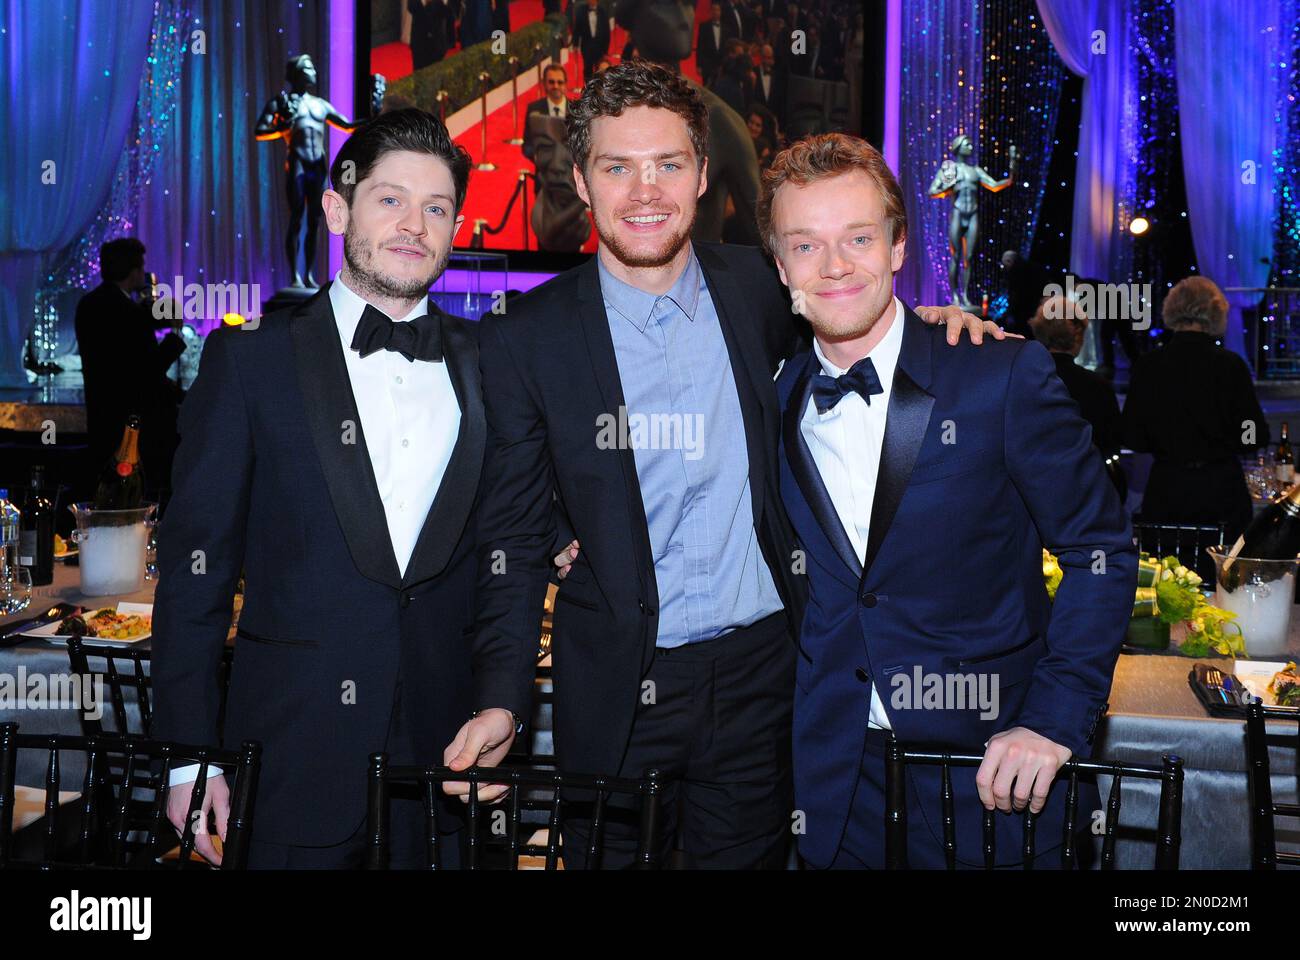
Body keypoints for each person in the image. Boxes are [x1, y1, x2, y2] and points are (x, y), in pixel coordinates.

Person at [484, 61, 995, 869]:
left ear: (702, 175)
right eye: (618, 167)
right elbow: (509, 533)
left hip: (765, 674)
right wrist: (499, 698)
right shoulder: (523, 336)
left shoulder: (764, 285)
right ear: (581, 182)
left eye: (668, 165)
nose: (645, 191)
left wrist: (931, 320)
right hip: (618, 683)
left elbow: (855, 304)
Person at [152, 109, 523, 869]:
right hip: (288, 760)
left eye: (437, 208)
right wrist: (189, 759)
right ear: (335, 209)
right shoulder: (250, 364)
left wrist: (503, 698)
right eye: (389, 199)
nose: (414, 225)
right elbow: (197, 578)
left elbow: (505, 558)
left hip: (444, 770)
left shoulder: (491, 364)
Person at [760, 133, 1135, 869]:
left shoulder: (1000, 375)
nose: (834, 266)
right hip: (837, 790)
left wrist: (1053, 723)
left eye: (858, 238)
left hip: (994, 778)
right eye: (805, 245)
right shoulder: (772, 398)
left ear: (899, 248)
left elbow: (1101, 553)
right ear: (779, 265)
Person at [1123, 276, 1269, 543]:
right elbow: (1253, 433)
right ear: (1215, 312)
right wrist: (1232, 441)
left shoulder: (1148, 365)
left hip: (1167, 487)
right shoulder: (1230, 365)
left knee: (1169, 576)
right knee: (1223, 574)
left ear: (1172, 310)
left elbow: (1133, 437)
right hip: (1221, 488)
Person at [74, 238, 186, 503]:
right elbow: (148, 371)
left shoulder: (89, 304)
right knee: (133, 492)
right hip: (134, 419)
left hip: (101, 411)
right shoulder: (130, 312)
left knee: (104, 489)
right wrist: (175, 336)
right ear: (134, 271)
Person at [1029, 294, 1123, 463]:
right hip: (1085, 478)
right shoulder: (1098, 386)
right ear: (1078, 336)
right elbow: (1112, 441)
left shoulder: (1025, 380)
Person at [523, 63, 574, 161]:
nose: (555, 86)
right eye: (551, 82)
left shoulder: (575, 110)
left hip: (570, 171)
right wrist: (539, 156)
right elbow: (527, 146)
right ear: (544, 83)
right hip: (544, 171)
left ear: (565, 84)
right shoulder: (534, 109)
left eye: (560, 82)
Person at [570, 0, 613, 82]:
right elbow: (577, 29)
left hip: (599, 47)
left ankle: (599, 88)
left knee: (600, 70)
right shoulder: (581, 10)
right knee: (587, 69)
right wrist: (575, 44)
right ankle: (588, 89)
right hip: (586, 47)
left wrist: (605, 50)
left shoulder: (602, 11)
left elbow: (606, 32)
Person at [696, 2, 727, 85]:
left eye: (718, 10)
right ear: (710, 11)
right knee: (707, 87)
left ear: (721, 12)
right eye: (713, 10)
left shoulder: (725, 28)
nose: (715, 12)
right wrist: (698, 65)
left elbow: (726, 48)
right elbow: (700, 46)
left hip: (720, 65)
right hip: (707, 64)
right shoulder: (704, 26)